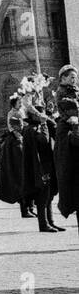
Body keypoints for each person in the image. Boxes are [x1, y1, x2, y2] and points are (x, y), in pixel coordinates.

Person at [21, 104, 62, 232]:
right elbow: (44, 140)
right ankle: (43, 224)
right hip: (39, 167)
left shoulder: (37, 127)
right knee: (42, 196)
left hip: (46, 165)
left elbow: (55, 131)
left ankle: (50, 221)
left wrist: (47, 122)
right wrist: (44, 124)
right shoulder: (31, 129)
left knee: (48, 195)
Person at [0, 112, 28, 216]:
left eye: (21, 124)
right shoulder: (11, 139)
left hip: (22, 166)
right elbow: (14, 154)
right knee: (21, 189)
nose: (21, 126)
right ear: (14, 126)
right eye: (19, 125)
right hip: (16, 168)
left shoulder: (20, 136)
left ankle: (29, 209)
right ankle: (25, 211)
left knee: (26, 189)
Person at [54, 97, 79, 229]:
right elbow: (75, 141)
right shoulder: (64, 125)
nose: (77, 111)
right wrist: (75, 127)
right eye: (74, 109)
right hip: (73, 172)